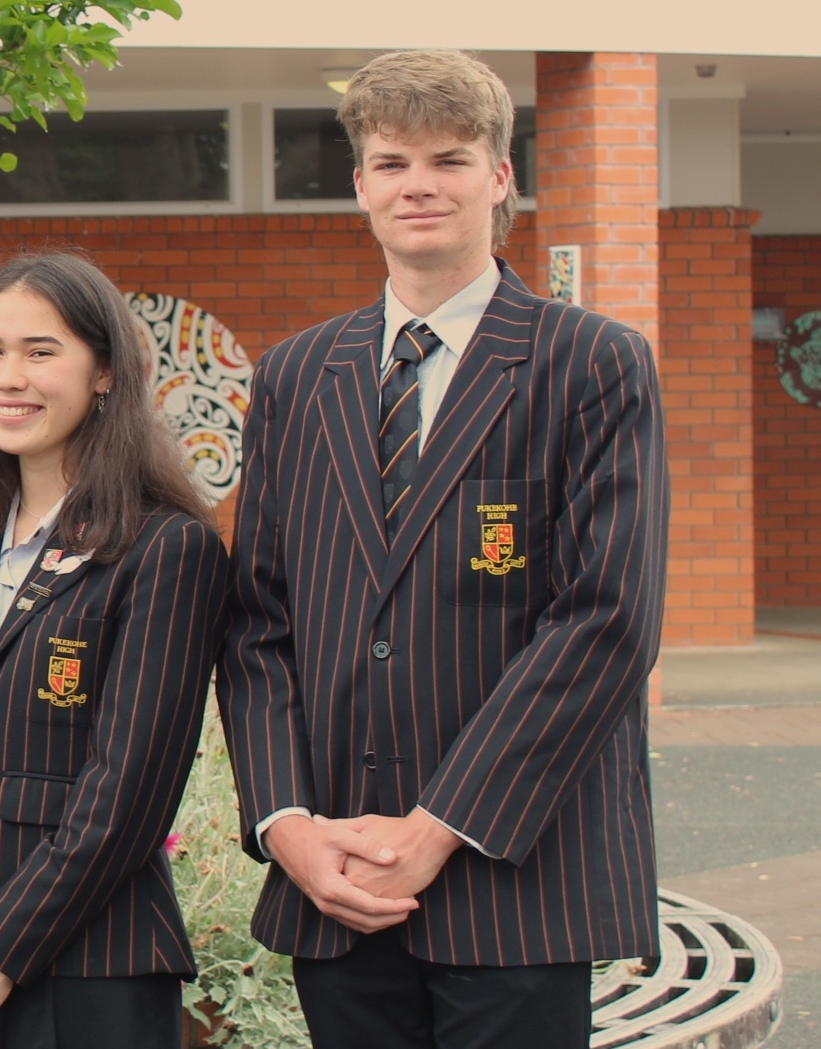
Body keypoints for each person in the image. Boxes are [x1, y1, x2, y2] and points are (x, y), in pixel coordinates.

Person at [217, 49, 668, 1049]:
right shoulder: (296, 373)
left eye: (448, 159)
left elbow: (605, 618)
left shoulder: (590, 361)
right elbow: (258, 620)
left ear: (499, 178)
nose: (417, 183)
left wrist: (434, 828)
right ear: (359, 187)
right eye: (390, 163)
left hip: (516, 874)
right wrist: (285, 822)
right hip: (335, 875)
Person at [0, 252, 230, 1048]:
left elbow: (124, 797)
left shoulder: (166, 549)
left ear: (105, 372)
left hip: (83, 978)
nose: (7, 376)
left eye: (41, 351)